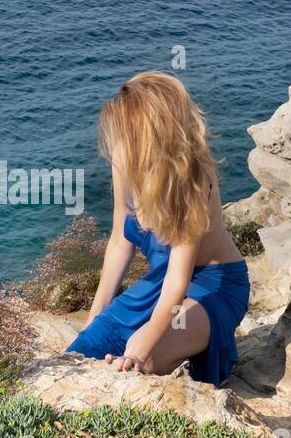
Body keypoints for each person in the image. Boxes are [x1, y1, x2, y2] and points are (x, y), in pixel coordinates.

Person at [66, 72, 249, 385]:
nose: (119, 140)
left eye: (127, 130)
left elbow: (179, 280)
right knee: (85, 349)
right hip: (159, 284)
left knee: (143, 362)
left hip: (212, 286)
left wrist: (144, 341)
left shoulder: (193, 177)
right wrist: (94, 316)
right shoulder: (124, 157)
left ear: (151, 132)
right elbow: (119, 242)